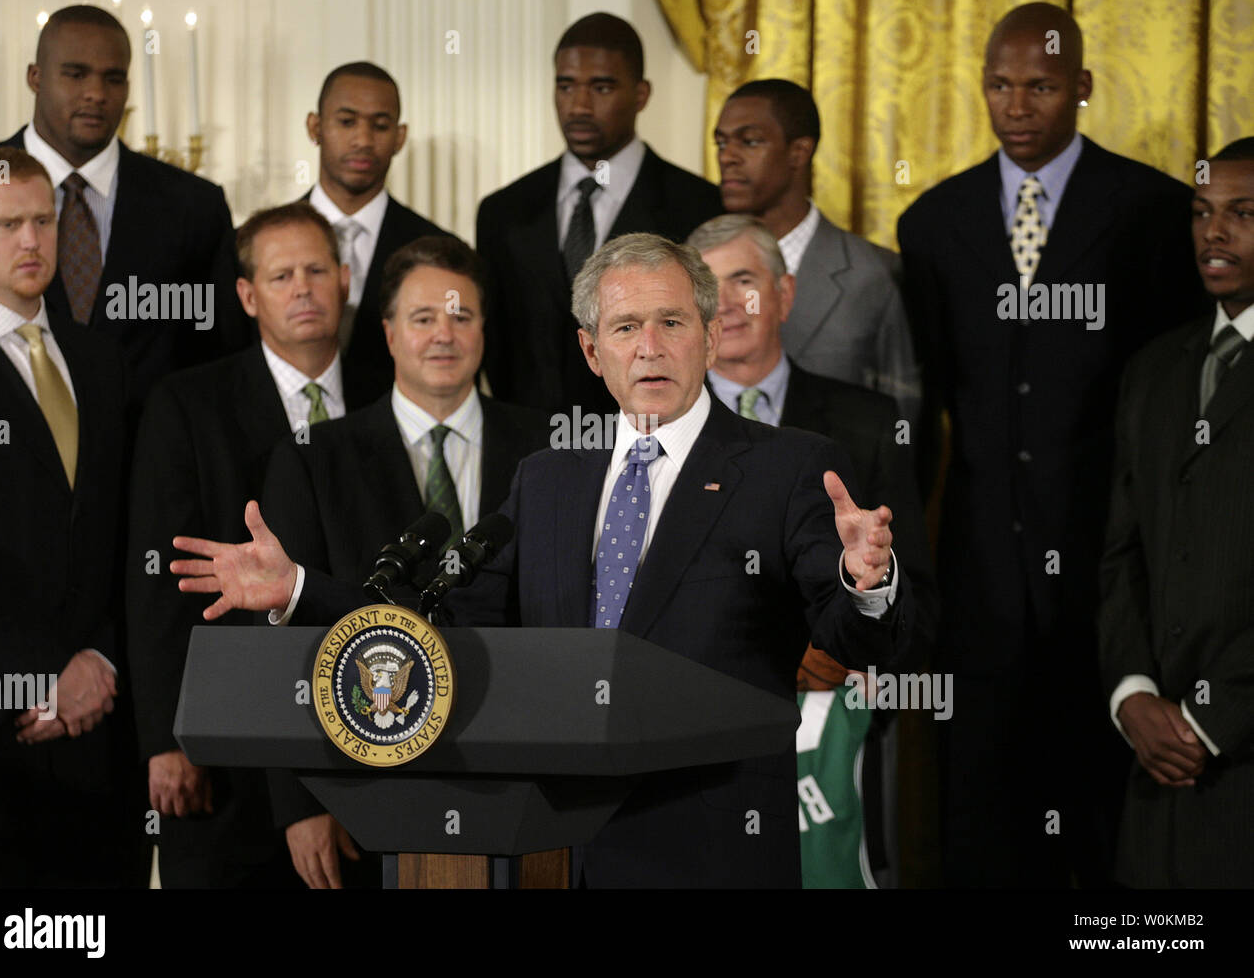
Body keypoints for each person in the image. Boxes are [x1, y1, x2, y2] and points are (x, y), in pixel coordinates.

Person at [172, 233, 915, 888]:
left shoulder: (788, 468)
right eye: (625, 326)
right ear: (594, 351)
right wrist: (300, 590)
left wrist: (866, 580)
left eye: (671, 322)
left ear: (710, 337)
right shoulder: (549, 479)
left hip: (714, 852)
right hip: (553, 854)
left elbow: (858, 640)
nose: (649, 346)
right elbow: (439, 634)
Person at [896, 1, 1204, 887]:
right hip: (980, 570)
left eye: (1040, 85)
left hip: (1111, 568)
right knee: (980, 804)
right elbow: (928, 409)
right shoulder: (934, 223)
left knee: (1103, 809)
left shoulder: (1152, 210)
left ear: (1083, 88)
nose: (1017, 105)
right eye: (1000, 84)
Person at [176, 237, 547, 888]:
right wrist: (304, 802)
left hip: (525, 784)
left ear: (486, 329)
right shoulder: (315, 457)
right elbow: (285, 644)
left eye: (462, 316)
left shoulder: (548, 453)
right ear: (389, 332)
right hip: (363, 790)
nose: (443, 335)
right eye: (423, 317)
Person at [125, 203, 379, 888]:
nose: (302, 288)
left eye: (317, 270)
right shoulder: (186, 403)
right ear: (247, 295)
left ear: (346, 278)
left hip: (371, 730)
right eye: (280, 275)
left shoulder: (394, 392)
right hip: (226, 752)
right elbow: (156, 581)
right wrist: (170, 739)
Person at [689, 213, 935, 887]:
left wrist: (850, 644)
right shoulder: (656, 429)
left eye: (746, 280)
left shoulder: (868, 425)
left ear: (786, 294)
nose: (731, 304)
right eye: (709, 287)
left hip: (836, 759)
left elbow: (916, 596)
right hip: (695, 758)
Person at [0, 147, 130, 886]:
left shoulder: (100, 361)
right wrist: (39, 677)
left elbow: (129, 537)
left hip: (107, 741)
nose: (30, 240)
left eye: (42, 220)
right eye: (6, 224)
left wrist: (101, 660)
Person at [0, 4, 246, 407]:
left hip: (147, 459)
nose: (96, 93)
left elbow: (220, 354)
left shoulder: (193, 205)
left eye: (114, 78)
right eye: (75, 74)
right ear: (35, 78)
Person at [1099, 139, 1254, 888]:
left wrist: (1208, 721)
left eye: (1242, 214)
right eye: (1201, 213)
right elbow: (1122, 554)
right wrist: (1133, 696)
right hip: (1152, 778)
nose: (1213, 233)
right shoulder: (1154, 370)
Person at [477, 12, 721, 416]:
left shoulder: (699, 207)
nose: (579, 105)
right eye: (566, 86)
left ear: (641, 95)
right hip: (533, 448)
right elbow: (497, 345)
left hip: (659, 443)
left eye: (602, 87)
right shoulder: (503, 211)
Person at [715, 80, 918, 424]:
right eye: (721, 142)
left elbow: (904, 410)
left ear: (799, 152)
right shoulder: (689, 266)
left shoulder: (874, 274)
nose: (728, 157)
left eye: (750, 141)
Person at [299, 61, 456, 397]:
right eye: (346, 121)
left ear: (400, 137)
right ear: (315, 127)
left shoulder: (439, 250)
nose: (363, 140)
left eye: (380, 125)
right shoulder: (262, 243)